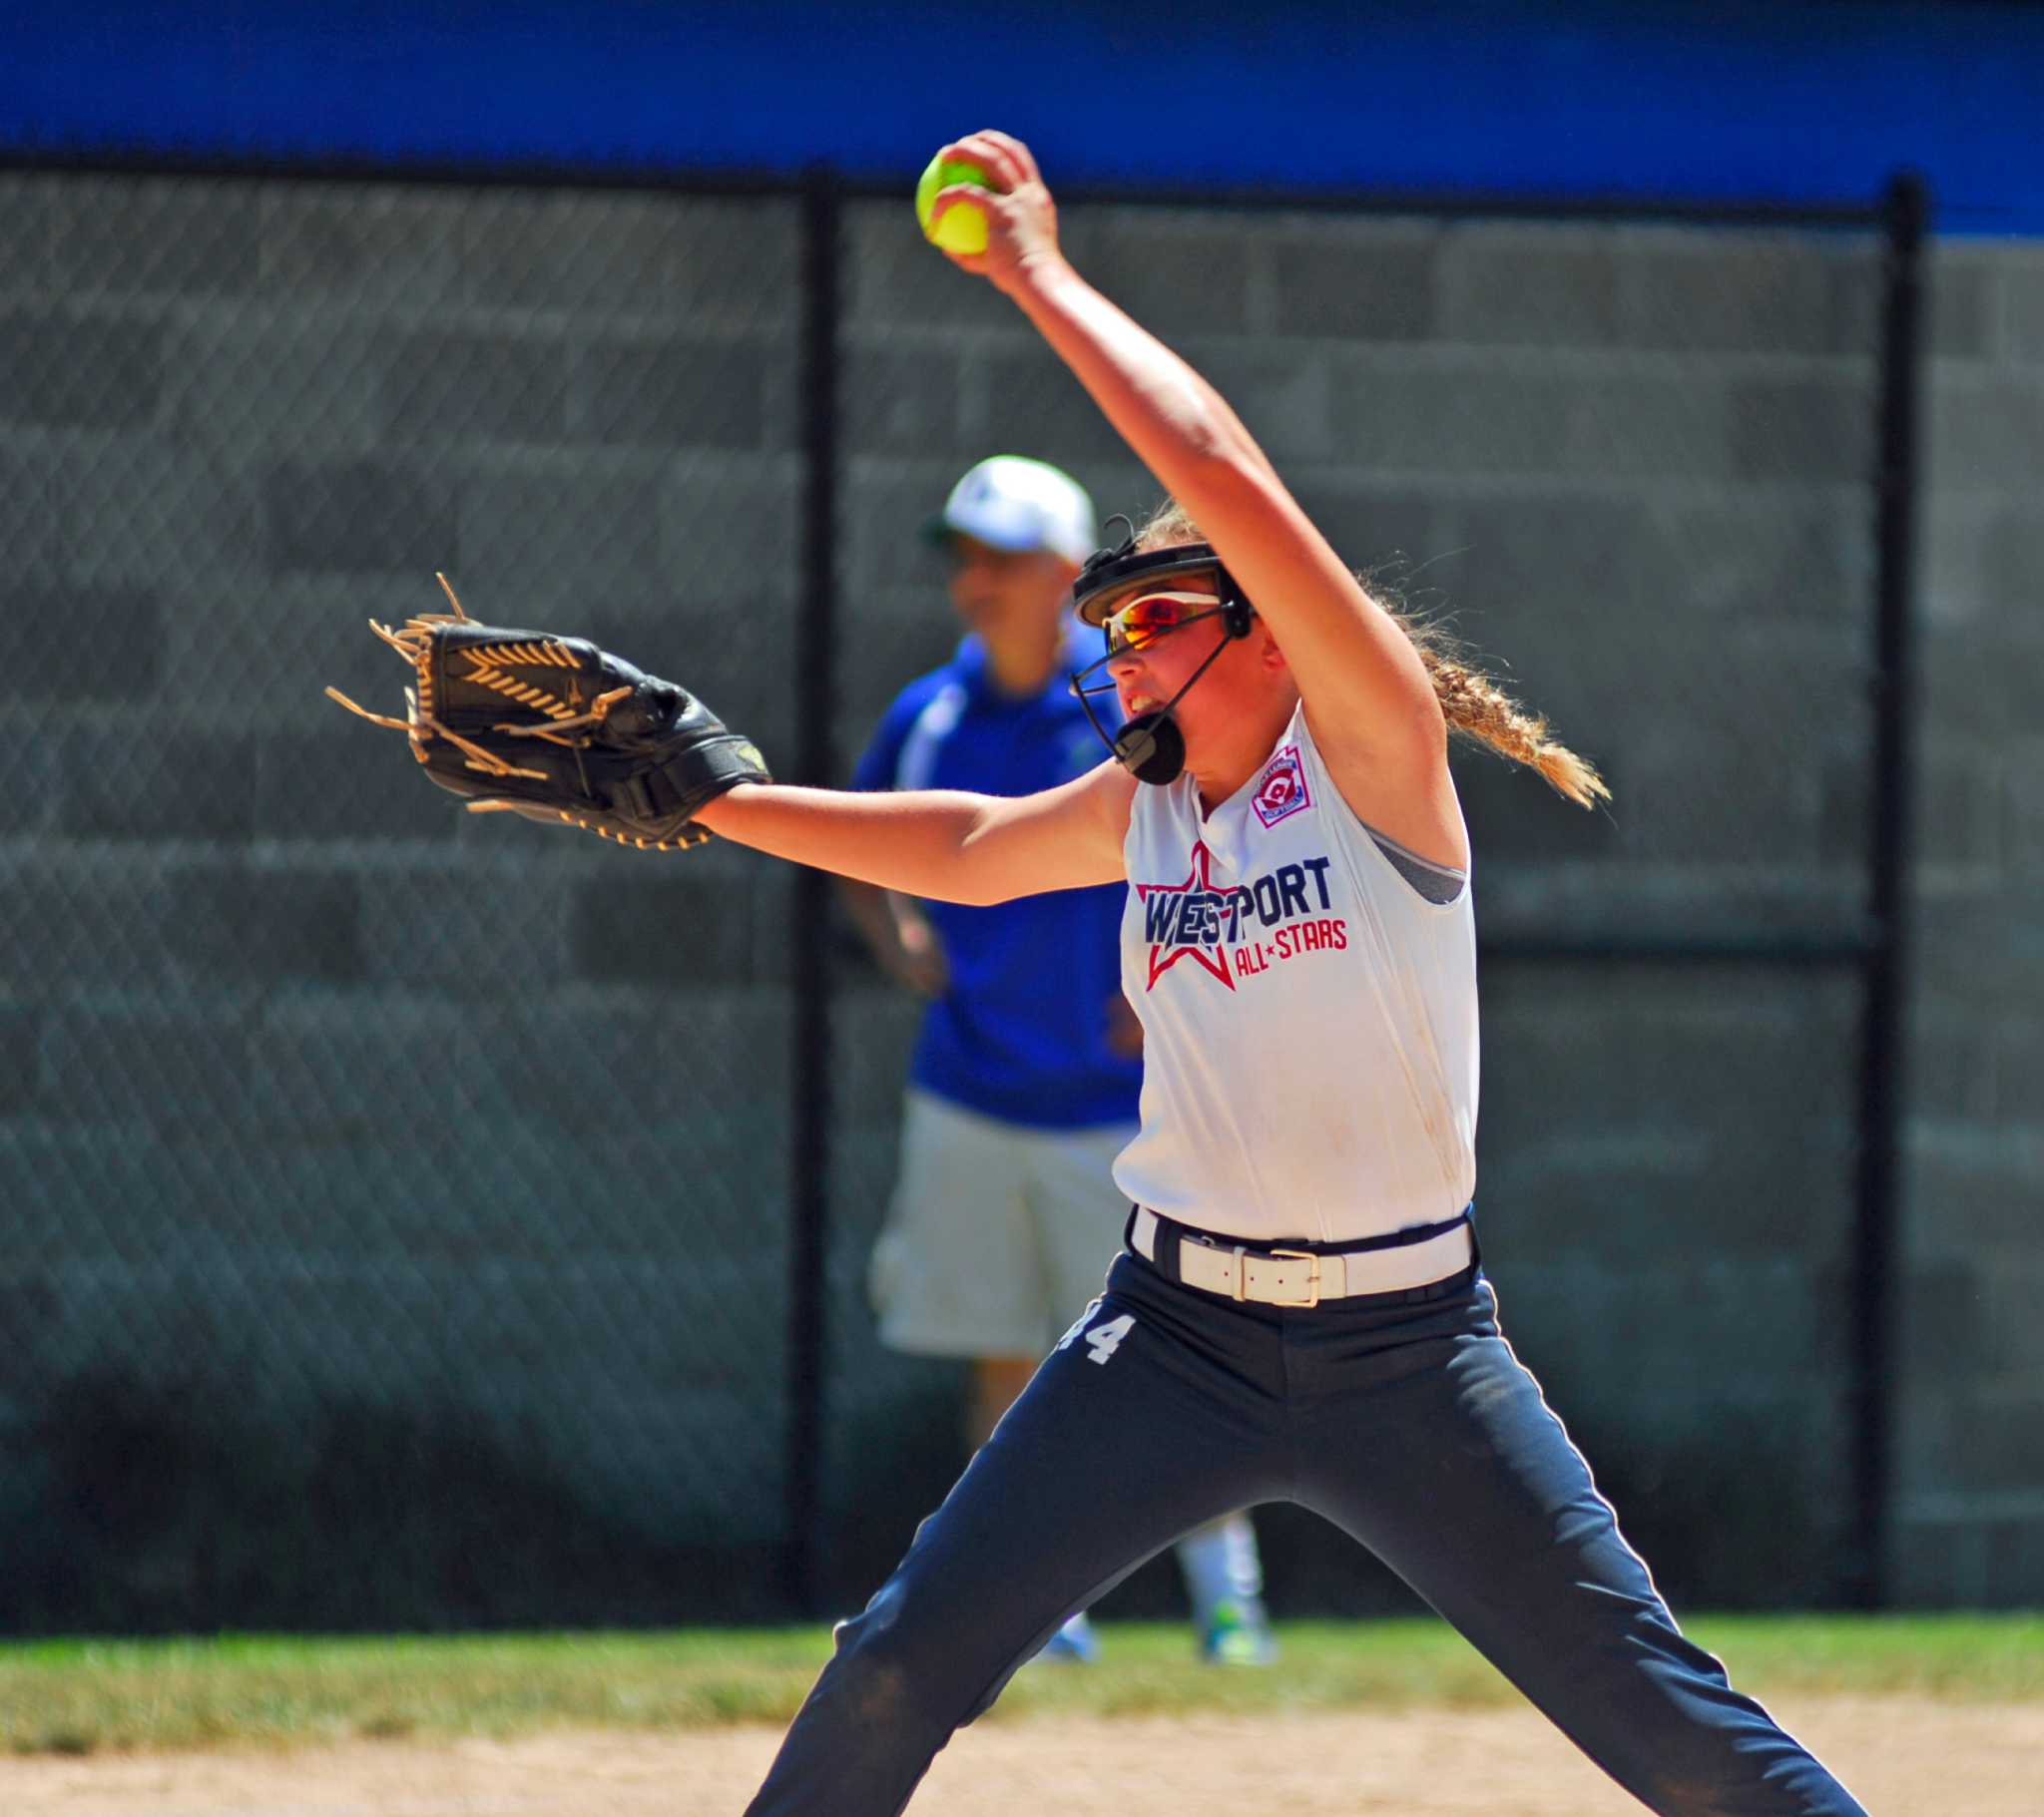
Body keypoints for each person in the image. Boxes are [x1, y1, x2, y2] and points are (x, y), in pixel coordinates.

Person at [698, 131, 1868, 1816]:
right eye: (1107, 638)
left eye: (1151, 623)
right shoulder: (1155, 805)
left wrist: (1038, 277)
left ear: (1258, 629)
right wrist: (719, 799)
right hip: (1170, 1337)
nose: (1118, 653)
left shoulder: (1372, 754)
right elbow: (959, 847)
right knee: (896, 1656)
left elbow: (1225, 472)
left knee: (1662, 1716)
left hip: (1412, 1354)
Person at [840, 453, 1274, 1667]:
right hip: (971, 1089)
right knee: (1004, 1351)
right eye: (962, 560)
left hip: (1120, 1111)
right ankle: (1042, 1606)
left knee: (1173, 1361)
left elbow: (1227, 844)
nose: (970, 583)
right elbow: (878, 851)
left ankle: (1227, 1601)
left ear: (1058, 578)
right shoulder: (927, 714)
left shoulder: (1133, 706)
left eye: (997, 560)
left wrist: (1172, 979)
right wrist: (899, 932)